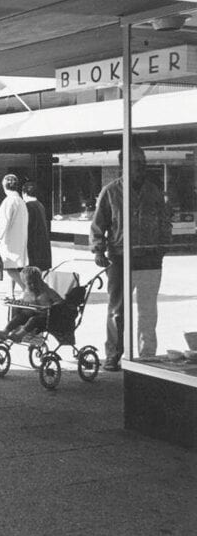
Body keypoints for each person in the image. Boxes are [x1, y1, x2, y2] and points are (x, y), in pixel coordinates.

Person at [90, 146, 172, 370]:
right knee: (117, 309)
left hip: (150, 259)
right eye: (135, 162)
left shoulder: (154, 191)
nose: (140, 166)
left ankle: (147, 355)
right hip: (120, 258)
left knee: (148, 309)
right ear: (123, 166)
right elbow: (98, 225)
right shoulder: (111, 191)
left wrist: (162, 247)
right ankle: (114, 354)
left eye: (142, 161)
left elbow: (166, 221)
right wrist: (98, 250)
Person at [0, 266, 64, 342]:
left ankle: (19, 335)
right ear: (24, 283)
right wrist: (17, 302)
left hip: (46, 318)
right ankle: (5, 331)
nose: (32, 285)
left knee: (33, 320)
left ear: (40, 281)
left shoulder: (47, 291)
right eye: (29, 283)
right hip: (31, 314)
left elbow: (60, 301)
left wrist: (51, 307)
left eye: (35, 282)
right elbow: (25, 302)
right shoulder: (27, 292)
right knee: (19, 317)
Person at [0, 174, 29, 302]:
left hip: (9, 240)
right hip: (20, 238)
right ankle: (10, 293)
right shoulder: (20, 201)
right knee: (13, 266)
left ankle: (27, 291)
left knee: (9, 268)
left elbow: (4, 223)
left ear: (4, 186)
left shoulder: (8, 201)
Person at [23, 181, 52, 272]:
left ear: (24, 193)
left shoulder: (27, 206)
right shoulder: (40, 205)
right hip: (42, 244)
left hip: (33, 245)